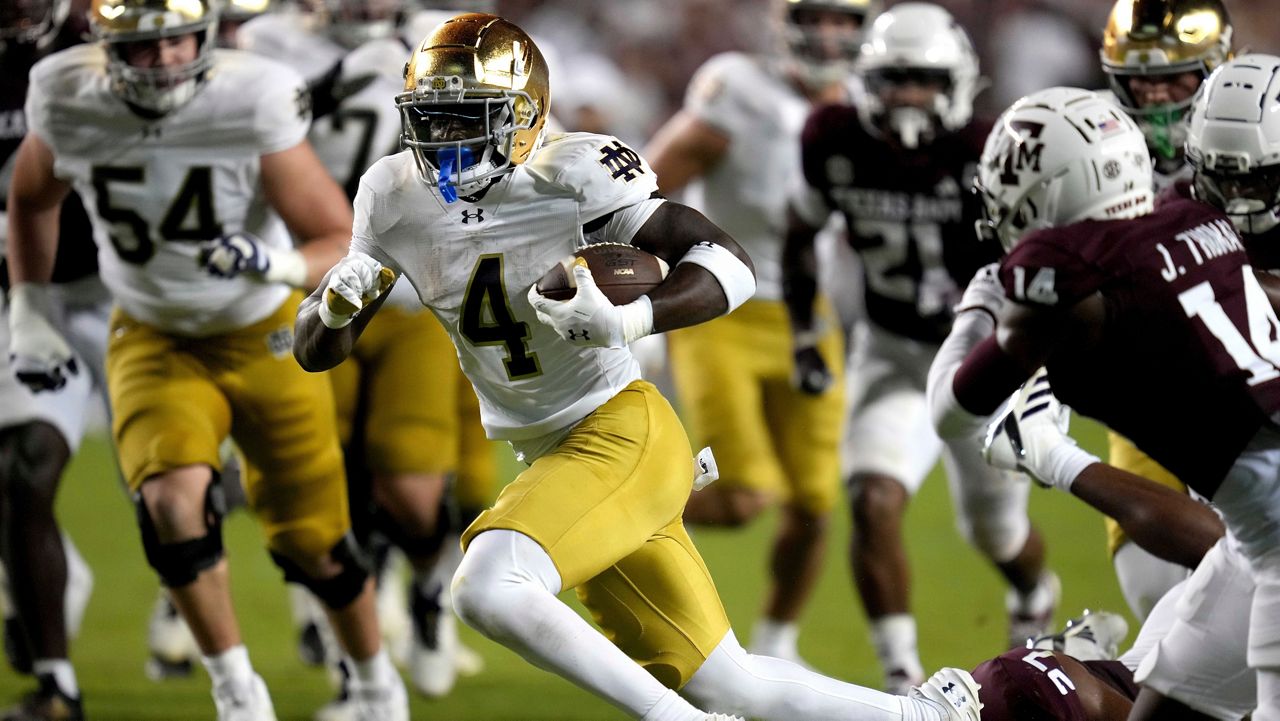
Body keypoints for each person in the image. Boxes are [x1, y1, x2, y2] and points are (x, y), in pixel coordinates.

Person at [295, 12, 983, 721]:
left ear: (524, 115)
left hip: (621, 429)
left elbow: (727, 261)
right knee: (729, 682)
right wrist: (336, 311)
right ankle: (931, 715)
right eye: (433, 119)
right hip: (552, 450)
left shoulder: (571, 173)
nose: (447, 140)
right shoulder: (393, 193)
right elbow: (316, 350)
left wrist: (631, 318)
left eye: (471, 118)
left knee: (487, 585)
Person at [4, 0, 410, 718]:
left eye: (176, 41)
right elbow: (31, 197)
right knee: (168, 501)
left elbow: (333, 236)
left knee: (314, 539)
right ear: (103, 46)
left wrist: (275, 261)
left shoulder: (249, 96)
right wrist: (32, 308)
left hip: (261, 335)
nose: (163, 62)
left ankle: (376, 684)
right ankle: (237, 695)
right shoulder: (67, 94)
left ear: (205, 34)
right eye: (142, 48)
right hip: (152, 332)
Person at [943, 83, 1280, 721]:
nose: (1236, 205)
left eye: (1258, 181)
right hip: (1250, 540)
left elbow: (957, 404)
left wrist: (1049, 450)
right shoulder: (1197, 232)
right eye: (1221, 180)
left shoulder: (1173, 244)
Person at [782, 1, 1057, 693]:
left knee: (997, 537)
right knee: (872, 500)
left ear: (956, 82)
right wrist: (806, 336)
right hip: (893, 349)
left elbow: (1037, 261)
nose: (907, 94)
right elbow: (798, 236)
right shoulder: (832, 135)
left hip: (981, 357)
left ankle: (1033, 593)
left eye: (923, 80)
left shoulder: (989, 149)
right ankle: (902, 683)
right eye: (895, 77)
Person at [238, 0, 494, 702]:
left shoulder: (458, 35)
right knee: (324, 483)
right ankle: (358, 656)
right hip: (315, 286)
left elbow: (531, 129)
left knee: (412, 492)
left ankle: (429, 591)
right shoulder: (264, 41)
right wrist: (327, 84)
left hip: (415, 292)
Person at [642, 0, 874, 666]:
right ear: (784, 20)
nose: (829, 34)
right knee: (742, 495)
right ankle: (616, 510)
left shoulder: (866, 102)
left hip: (809, 316)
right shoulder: (737, 89)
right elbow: (645, 190)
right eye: (816, 16)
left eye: (844, 20)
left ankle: (776, 643)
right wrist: (642, 291)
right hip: (721, 305)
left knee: (813, 499)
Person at [1093, 0, 1235, 620]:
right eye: (1140, 79)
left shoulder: (1258, 129)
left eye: (1175, 76)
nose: (1155, 93)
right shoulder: (1091, 149)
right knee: (1155, 594)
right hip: (1142, 385)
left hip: (1247, 379)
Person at [0, 1, 100, 717]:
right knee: (24, 468)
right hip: (27, 293)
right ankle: (56, 682)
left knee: (217, 484)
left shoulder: (114, 42)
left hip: (135, 291)